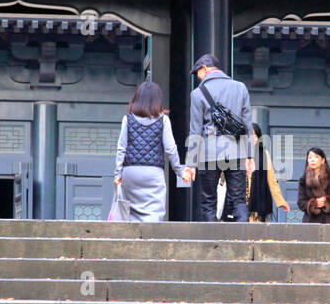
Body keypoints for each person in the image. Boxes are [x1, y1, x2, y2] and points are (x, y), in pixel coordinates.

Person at [182, 53, 255, 222]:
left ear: (205, 68)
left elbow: (195, 130)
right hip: (236, 151)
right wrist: (250, 156)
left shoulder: (198, 93)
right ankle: (242, 240)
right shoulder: (240, 87)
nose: (198, 78)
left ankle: (213, 241)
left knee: (208, 201)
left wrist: (190, 164)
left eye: (198, 73)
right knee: (238, 200)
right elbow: (247, 124)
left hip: (209, 153)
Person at [113, 80, 184, 221]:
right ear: (157, 100)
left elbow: (121, 148)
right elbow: (170, 149)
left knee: (130, 213)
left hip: (130, 173)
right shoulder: (163, 120)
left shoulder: (127, 119)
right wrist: (179, 171)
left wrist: (117, 173)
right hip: (153, 173)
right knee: (154, 212)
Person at [246, 123, 290, 222]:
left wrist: (280, 201)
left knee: (256, 235)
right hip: (239, 204)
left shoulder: (264, 155)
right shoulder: (237, 154)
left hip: (257, 204)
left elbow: (271, 179)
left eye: (254, 135)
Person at [297, 147, 330, 224]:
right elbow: (301, 202)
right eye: (309, 157)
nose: (312, 160)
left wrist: (327, 201)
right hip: (311, 221)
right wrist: (314, 203)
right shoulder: (303, 179)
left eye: (316, 157)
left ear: (322, 160)